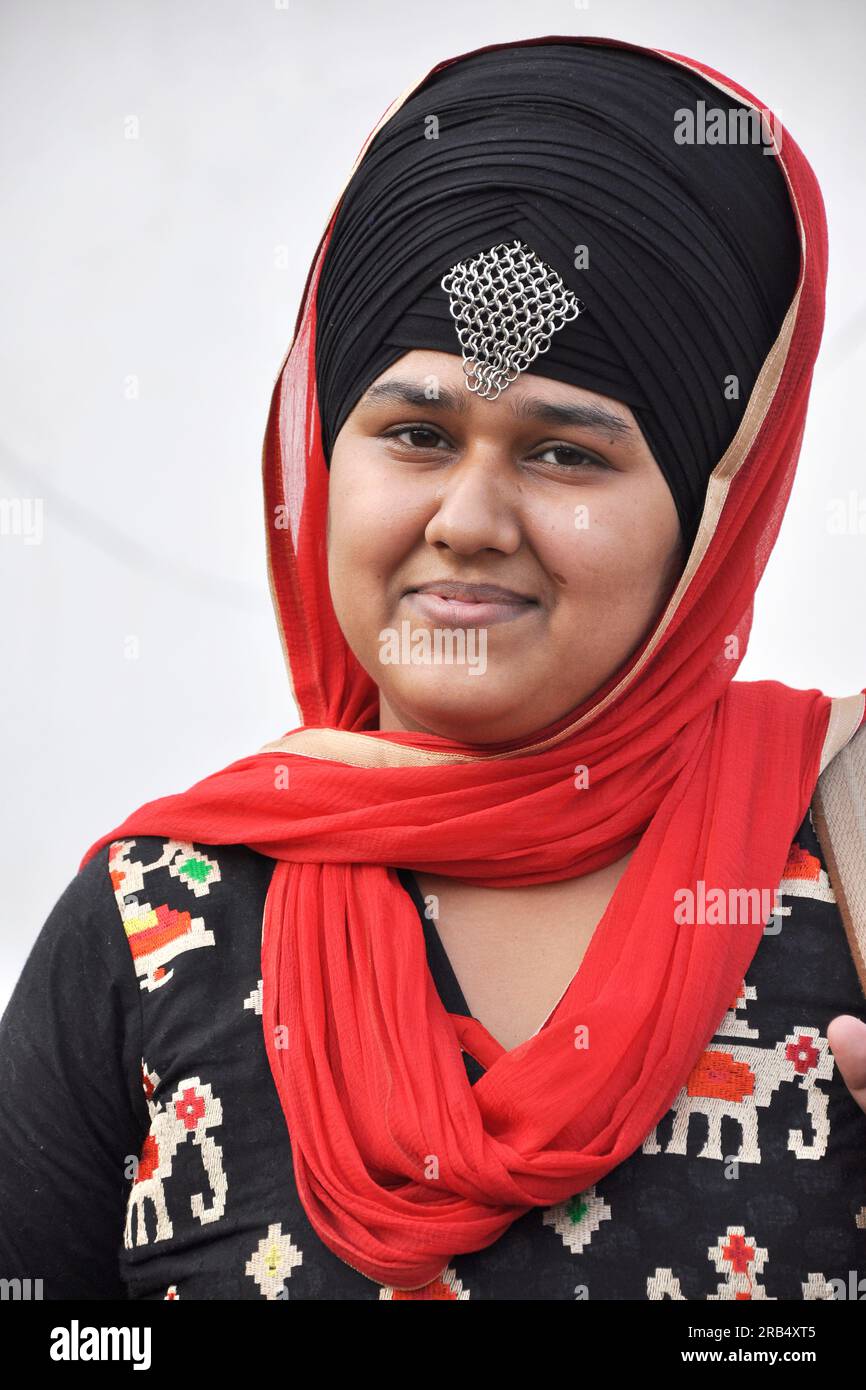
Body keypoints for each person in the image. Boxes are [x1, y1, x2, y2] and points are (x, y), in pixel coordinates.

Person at [2, 33, 865, 1302]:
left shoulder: (843, 860)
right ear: (322, 458)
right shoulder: (151, 923)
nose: (468, 515)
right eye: (413, 432)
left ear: (709, 518)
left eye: (566, 453)